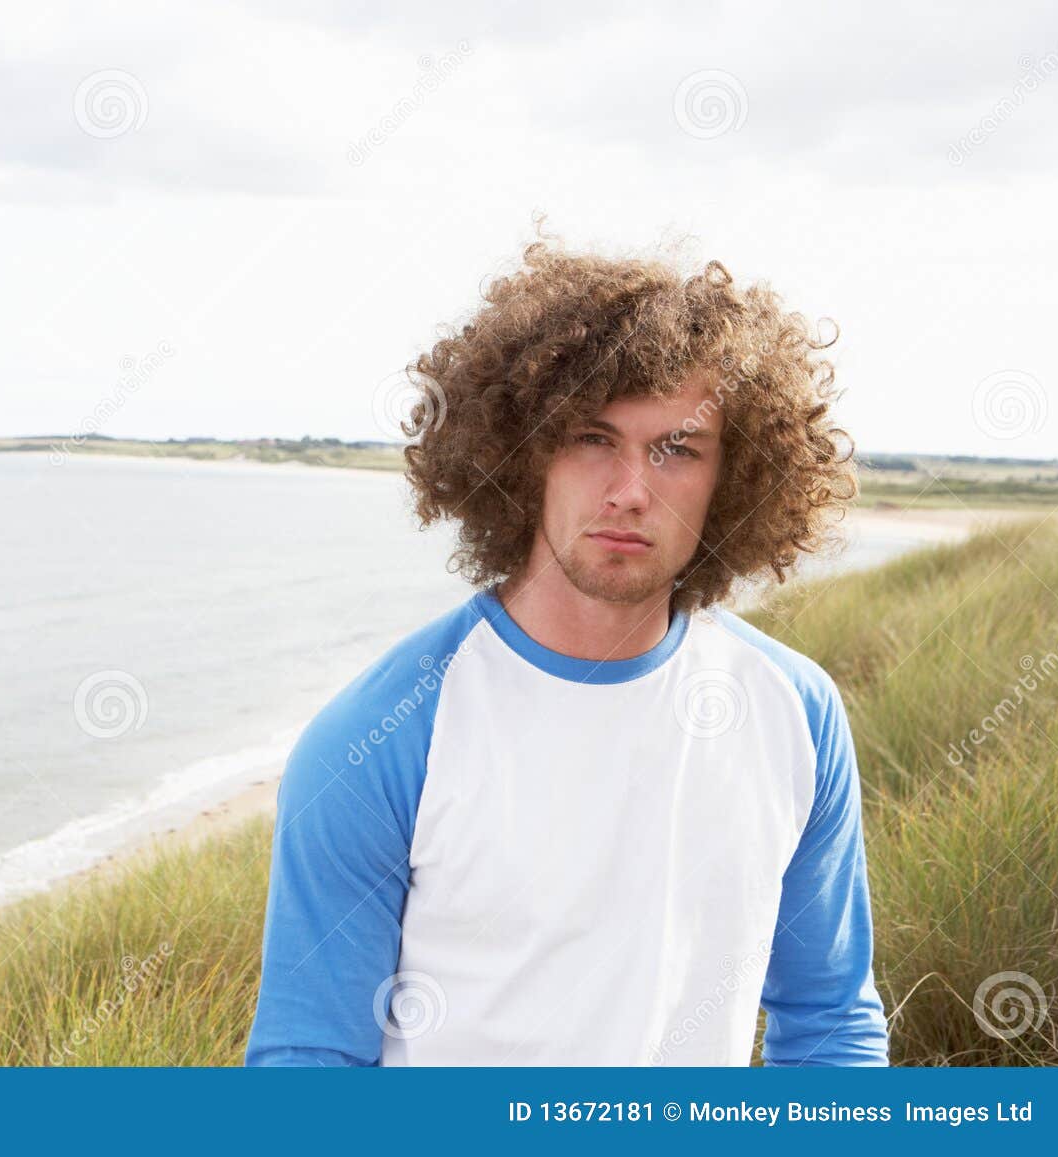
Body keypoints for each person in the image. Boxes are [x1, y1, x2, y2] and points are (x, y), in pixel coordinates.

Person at [243, 232, 889, 1066]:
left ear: (733, 479)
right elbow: (308, 1062)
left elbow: (830, 1020)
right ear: (522, 456)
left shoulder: (795, 712)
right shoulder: (381, 737)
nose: (630, 489)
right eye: (592, 438)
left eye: (677, 449)